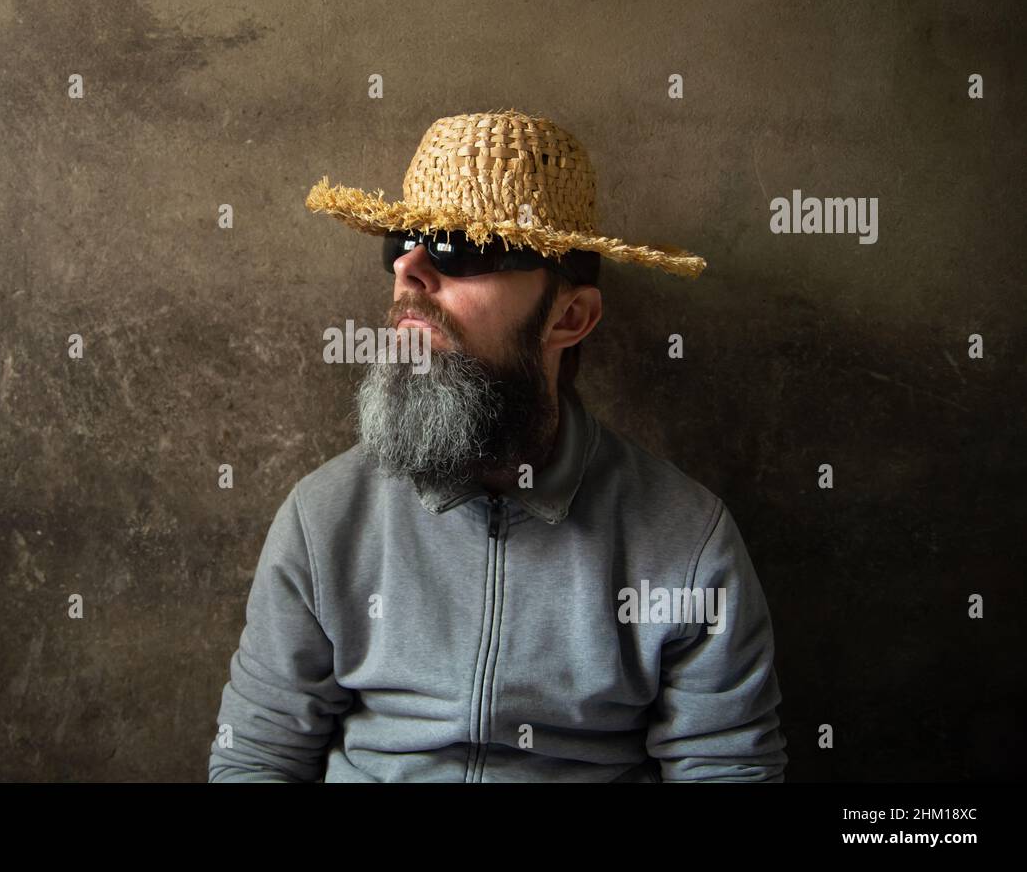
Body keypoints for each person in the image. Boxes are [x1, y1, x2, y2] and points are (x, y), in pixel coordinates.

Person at [208, 109, 788, 782]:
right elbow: (256, 756)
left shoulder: (686, 540)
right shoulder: (324, 517)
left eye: (464, 247)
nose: (411, 272)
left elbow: (728, 771)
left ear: (570, 317)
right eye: (402, 242)